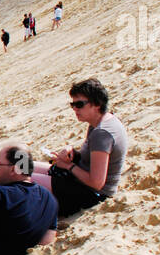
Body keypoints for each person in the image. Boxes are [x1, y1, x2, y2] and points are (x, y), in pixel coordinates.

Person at [31, 79, 128, 218]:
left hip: (89, 194)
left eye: (79, 104)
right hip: (77, 180)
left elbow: (97, 183)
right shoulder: (99, 123)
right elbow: (91, 158)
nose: (75, 109)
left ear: (97, 104)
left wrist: (68, 166)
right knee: (20, 166)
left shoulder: (102, 133)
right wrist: (72, 153)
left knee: (19, 177)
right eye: (73, 104)